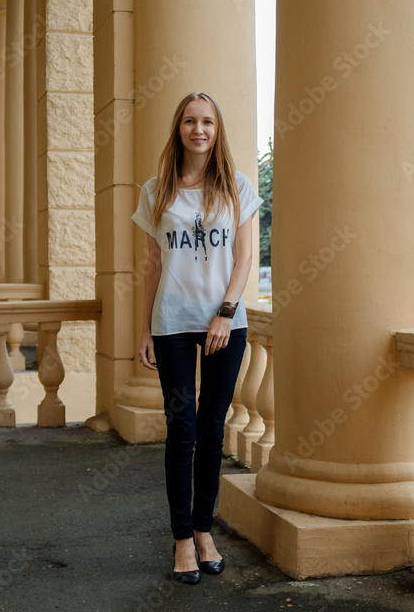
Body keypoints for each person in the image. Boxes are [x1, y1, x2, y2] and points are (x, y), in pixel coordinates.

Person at [132, 92, 263, 585]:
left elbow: (245, 259)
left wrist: (226, 314)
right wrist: (143, 328)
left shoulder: (237, 188)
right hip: (172, 322)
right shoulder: (156, 191)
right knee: (181, 428)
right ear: (179, 128)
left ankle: (205, 530)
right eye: (190, 120)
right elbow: (151, 265)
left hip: (225, 323)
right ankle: (182, 538)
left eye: (207, 121)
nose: (199, 129)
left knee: (212, 429)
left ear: (217, 130)